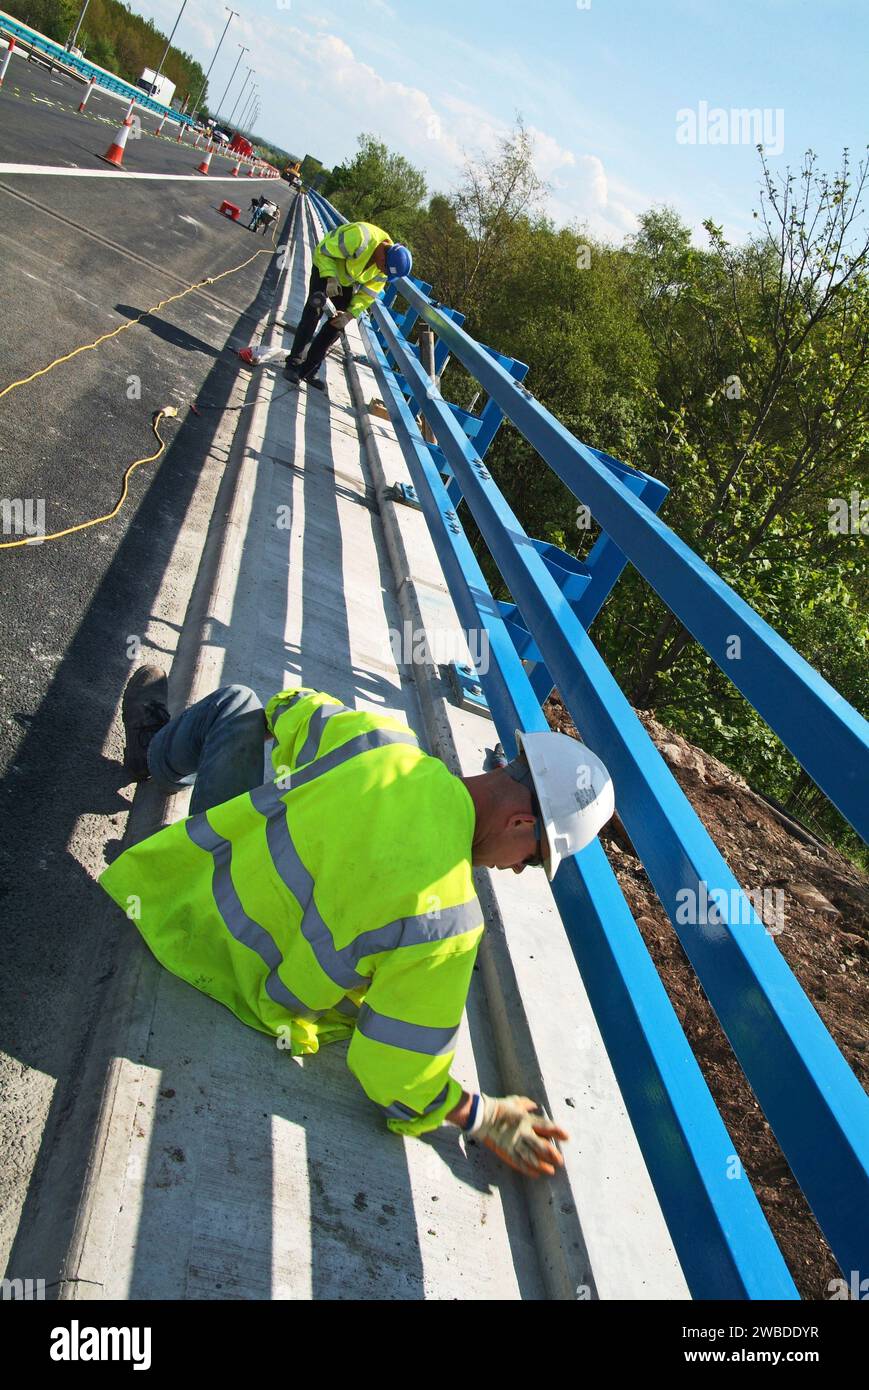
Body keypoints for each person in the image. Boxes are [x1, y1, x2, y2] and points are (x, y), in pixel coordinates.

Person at [101, 666, 615, 1177]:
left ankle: (152, 753)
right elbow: (395, 1070)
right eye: (529, 860)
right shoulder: (451, 921)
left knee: (238, 704)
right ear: (522, 823)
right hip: (245, 984)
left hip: (183, 896)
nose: (515, 869)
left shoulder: (382, 742)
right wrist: (483, 1115)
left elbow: (288, 706)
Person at [283, 220, 412, 393]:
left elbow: (367, 295)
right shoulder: (360, 236)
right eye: (384, 268)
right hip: (325, 266)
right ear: (384, 255)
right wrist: (329, 277)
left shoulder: (384, 270)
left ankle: (308, 370)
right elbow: (324, 251)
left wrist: (350, 314)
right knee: (314, 312)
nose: (383, 273)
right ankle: (293, 364)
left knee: (336, 326)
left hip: (346, 282)